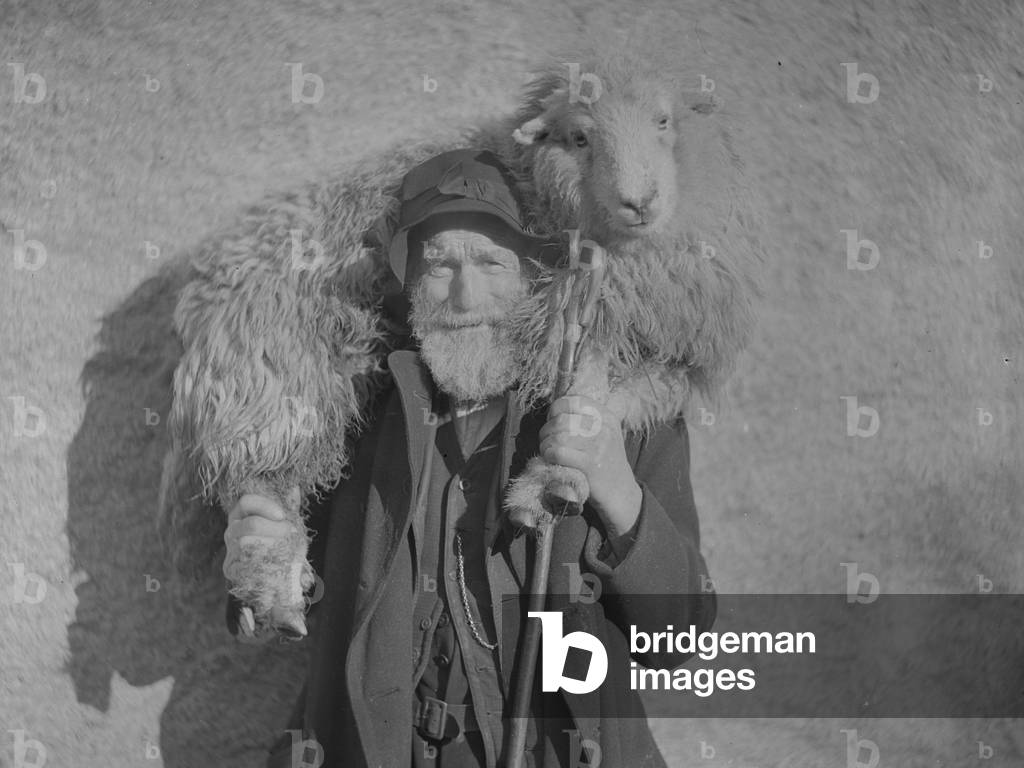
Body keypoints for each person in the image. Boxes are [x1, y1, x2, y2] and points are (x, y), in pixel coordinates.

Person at [223, 149, 716, 768]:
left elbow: (680, 640)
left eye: (491, 262)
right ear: (407, 281)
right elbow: (295, 601)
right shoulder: (351, 419)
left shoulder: (621, 417)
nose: (464, 294)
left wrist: (615, 485)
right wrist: (261, 566)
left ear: (536, 275)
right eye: (439, 265)